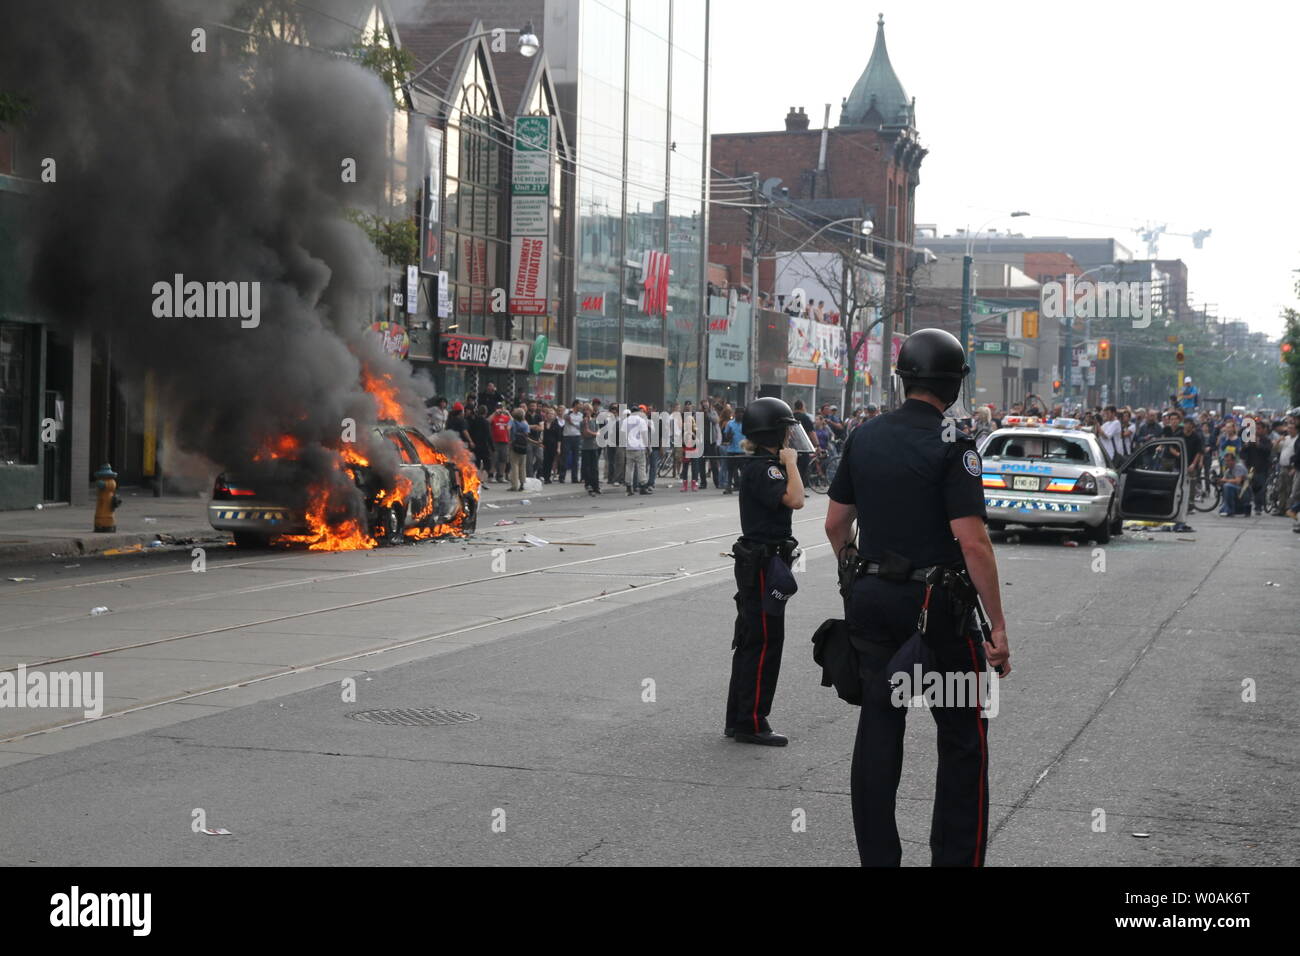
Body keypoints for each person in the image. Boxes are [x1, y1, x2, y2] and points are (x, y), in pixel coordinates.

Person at [823, 327, 1011, 867]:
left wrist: (858, 574)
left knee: (880, 731)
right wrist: (997, 626)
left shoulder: (865, 436)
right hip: (941, 616)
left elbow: (836, 525)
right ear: (953, 384)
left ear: (903, 377)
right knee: (961, 739)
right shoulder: (954, 445)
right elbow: (973, 543)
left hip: (875, 606)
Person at [725, 397, 809, 746]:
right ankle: (752, 721)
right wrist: (790, 464)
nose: (792, 436)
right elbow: (797, 499)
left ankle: (740, 718)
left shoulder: (762, 464)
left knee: (752, 639)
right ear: (773, 431)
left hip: (763, 561)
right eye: (787, 428)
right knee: (763, 641)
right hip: (762, 562)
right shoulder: (768, 468)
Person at [624, 405, 652, 495]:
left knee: (629, 468)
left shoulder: (625, 421)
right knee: (641, 467)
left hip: (629, 447)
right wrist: (648, 447)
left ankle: (629, 487)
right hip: (639, 447)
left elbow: (623, 434)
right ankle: (642, 487)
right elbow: (644, 435)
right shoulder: (641, 421)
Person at [580, 403, 602, 495]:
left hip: (594, 447)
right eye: (585, 410)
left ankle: (596, 486)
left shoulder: (595, 421)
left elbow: (598, 432)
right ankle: (588, 484)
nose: (587, 412)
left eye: (588, 410)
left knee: (595, 468)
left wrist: (594, 434)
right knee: (587, 467)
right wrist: (594, 434)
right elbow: (585, 433)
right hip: (586, 447)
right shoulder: (583, 422)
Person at [508, 407, 530, 492]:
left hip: (514, 445)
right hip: (523, 446)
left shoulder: (512, 422)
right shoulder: (525, 423)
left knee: (514, 465)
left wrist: (510, 438)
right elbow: (527, 434)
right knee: (522, 466)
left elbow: (508, 428)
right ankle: (522, 484)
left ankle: (514, 485)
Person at [489, 405, 513, 483]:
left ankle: (500, 476)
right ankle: (491, 475)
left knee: (503, 459)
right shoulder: (494, 417)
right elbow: (487, 421)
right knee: (494, 459)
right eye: (498, 408)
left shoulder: (506, 418)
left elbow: (513, 422)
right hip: (495, 441)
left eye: (501, 408)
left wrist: (508, 414)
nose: (500, 409)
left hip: (505, 442)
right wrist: (494, 413)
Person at [561, 400, 583, 483]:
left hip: (577, 437)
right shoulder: (568, 411)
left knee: (576, 458)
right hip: (567, 437)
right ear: (576, 405)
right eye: (580, 404)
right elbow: (565, 417)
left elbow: (580, 426)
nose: (581, 406)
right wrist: (569, 414)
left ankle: (574, 477)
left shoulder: (581, 415)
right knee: (565, 457)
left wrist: (572, 422)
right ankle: (562, 476)